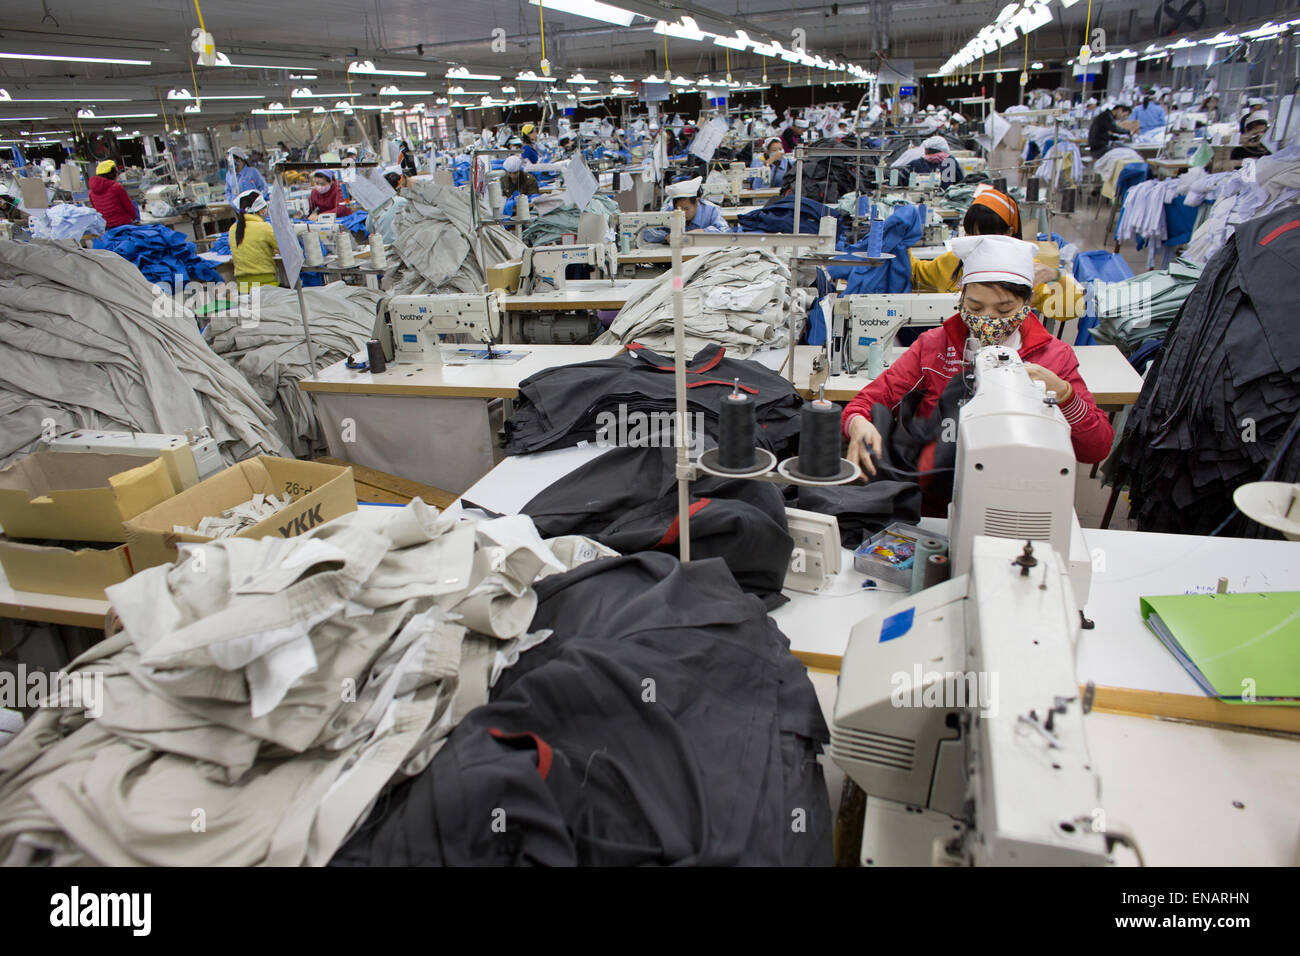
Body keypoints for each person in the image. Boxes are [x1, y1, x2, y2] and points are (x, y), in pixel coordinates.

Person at [844, 235, 1113, 495]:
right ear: (961, 299)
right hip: (934, 500)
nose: (988, 319)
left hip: (1018, 497)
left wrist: (1065, 396)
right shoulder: (935, 347)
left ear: (1027, 302)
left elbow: (1096, 449)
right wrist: (857, 423)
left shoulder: (1054, 357)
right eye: (975, 307)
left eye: (1004, 310)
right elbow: (865, 403)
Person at [911, 185, 1084, 327]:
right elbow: (916, 273)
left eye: (988, 236)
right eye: (971, 234)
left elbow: (1069, 310)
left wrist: (1057, 277)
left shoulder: (1025, 270)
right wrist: (899, 242)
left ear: (1009, 233)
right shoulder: (952, 262)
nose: (978, 242)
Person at [641, 177, 732, 244]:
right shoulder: (669, 209)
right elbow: (647, 230)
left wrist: (702, 232)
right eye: (678, 209)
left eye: (687, 209)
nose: (683, 213)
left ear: (697, 202)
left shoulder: (711, 210)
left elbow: (726, 231)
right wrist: (665, 237)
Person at [227, 189, 280, 292]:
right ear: (260, 211)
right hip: (265, 285)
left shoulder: (233, 229)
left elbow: (252, 247)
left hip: (242, 288)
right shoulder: (264, 227)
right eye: (264, 209)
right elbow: (284, 248)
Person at [88, 160, 138, 229]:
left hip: (107, 227)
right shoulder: (117, 188)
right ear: (112, 173)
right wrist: (135, 218)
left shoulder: (92, 192)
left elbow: (96, 210)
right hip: (123, 225)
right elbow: (128, 206)